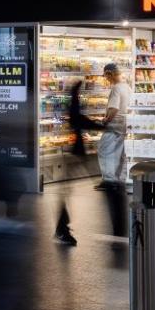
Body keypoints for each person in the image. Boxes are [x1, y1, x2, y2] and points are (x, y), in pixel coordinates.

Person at [54, 77, 105, 246]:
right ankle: (62, 228)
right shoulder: (74, 106)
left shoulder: (72, 104)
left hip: (74, 152)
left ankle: (62, 227)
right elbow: (80, 120)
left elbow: (79, 120)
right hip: (74, 153)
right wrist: (101, 126)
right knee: (66, 191)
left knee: (66, 191)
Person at [96, 63, 131, 191]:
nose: (106, 79)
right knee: (119, 152)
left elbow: (114, 108)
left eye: (106, 76)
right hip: (124, 124)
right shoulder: (127, 87)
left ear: (110, 73)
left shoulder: (116, 88)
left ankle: (109, 180)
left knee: (104, 150)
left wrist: (106, 119)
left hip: (114, 124)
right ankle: (119, 180)